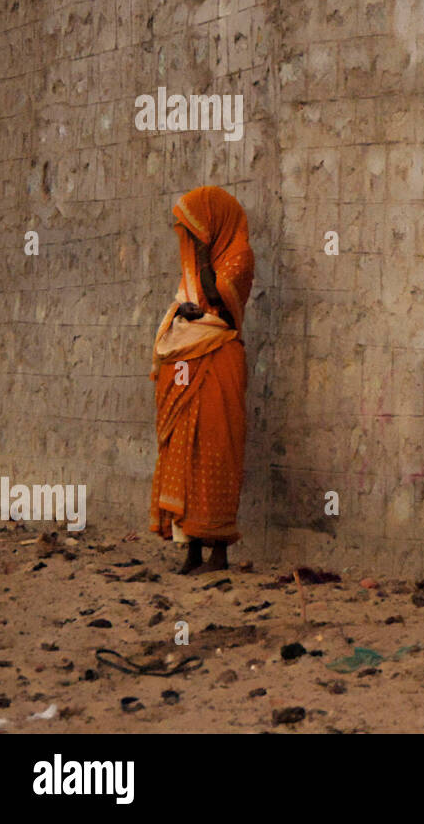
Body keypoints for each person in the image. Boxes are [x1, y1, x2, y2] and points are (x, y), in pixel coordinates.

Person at [148, 186, 255, 574]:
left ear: (212, 226)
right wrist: (182, 309)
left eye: (194, 231)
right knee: (183, 453)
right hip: (187, 368)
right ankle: (190, 550)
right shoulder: (194, 265)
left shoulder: (239, 256)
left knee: (216, 452)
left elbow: (223, 305)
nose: (189, 241)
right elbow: (188, 300)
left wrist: (206, 255)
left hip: (220, 360)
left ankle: (219, 554)